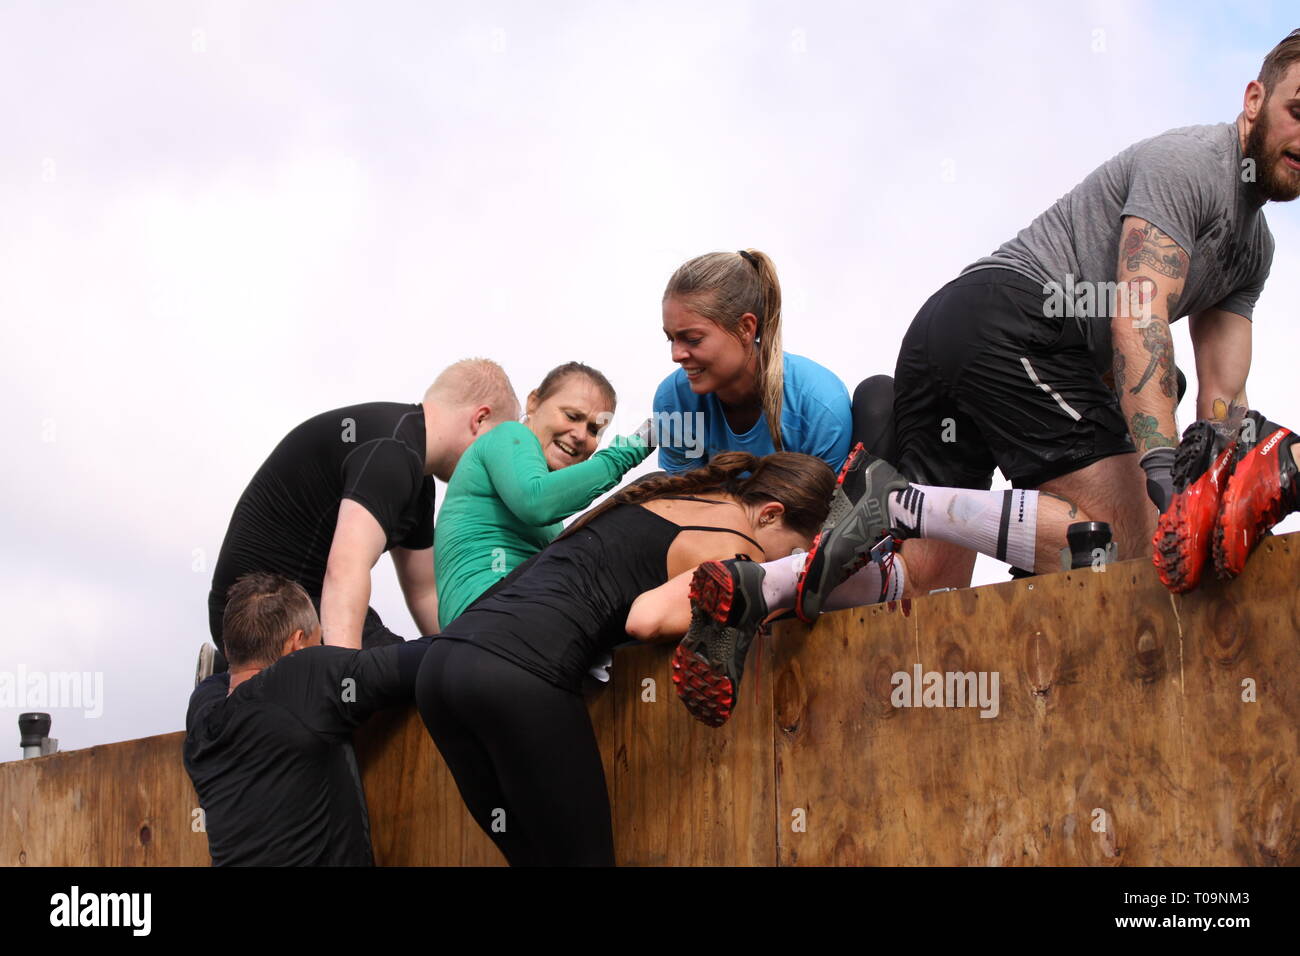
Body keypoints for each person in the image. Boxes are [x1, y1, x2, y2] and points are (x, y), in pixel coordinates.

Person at [867, 30, 1299, 597]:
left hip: (960, 333)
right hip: (1013, 321)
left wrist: (1218, 487)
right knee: (1135, 545)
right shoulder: (1193, 163)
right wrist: (1163, 472)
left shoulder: (1255, 251)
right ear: (1253, 100)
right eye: (1297, 110)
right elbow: (1137, 317)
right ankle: (907, 503)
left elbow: (1223, 399)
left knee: (921, 588)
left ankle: (801, 569)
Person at [415, 451, 835, 865]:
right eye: (796, 552)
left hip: (441, 672)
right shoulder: (737, 547)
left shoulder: (667, 494)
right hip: (519, 675)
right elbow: (646, 619)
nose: (786, 566)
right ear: (770, 514)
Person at [204, 358, 518, 674]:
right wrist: (346, 682)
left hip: (302, 605)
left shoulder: (416, 473)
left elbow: (425, 593)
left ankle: (226, 674)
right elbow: (345, 569)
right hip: (258, 614)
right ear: (479, 418)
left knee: (428, 663)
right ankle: (231, 682)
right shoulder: (392, 451)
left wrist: (471, 655)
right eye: (496, 447)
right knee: (405, 676)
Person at [185, 572, 431, 866]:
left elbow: (213, 683)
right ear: (297, 644)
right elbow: (422, 659)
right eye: (319, 640)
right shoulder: (299, 679)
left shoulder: (203, 718)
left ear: (228, 650)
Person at [434, 361, 653, 630]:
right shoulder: (510, 434)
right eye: (572, 416)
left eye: (595, 430)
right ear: (533, 402)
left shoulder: (552, 511)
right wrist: (638, 446)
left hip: (517, 616)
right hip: (487, 616)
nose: (581, 435)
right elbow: (535, 501)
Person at [654, 248, 853, 474]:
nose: (676, 355)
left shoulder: (820, 403)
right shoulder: (675, 400)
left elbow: (820, 505)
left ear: (745, 328)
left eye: (693, 339)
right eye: (671, 339)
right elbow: (685, 497)